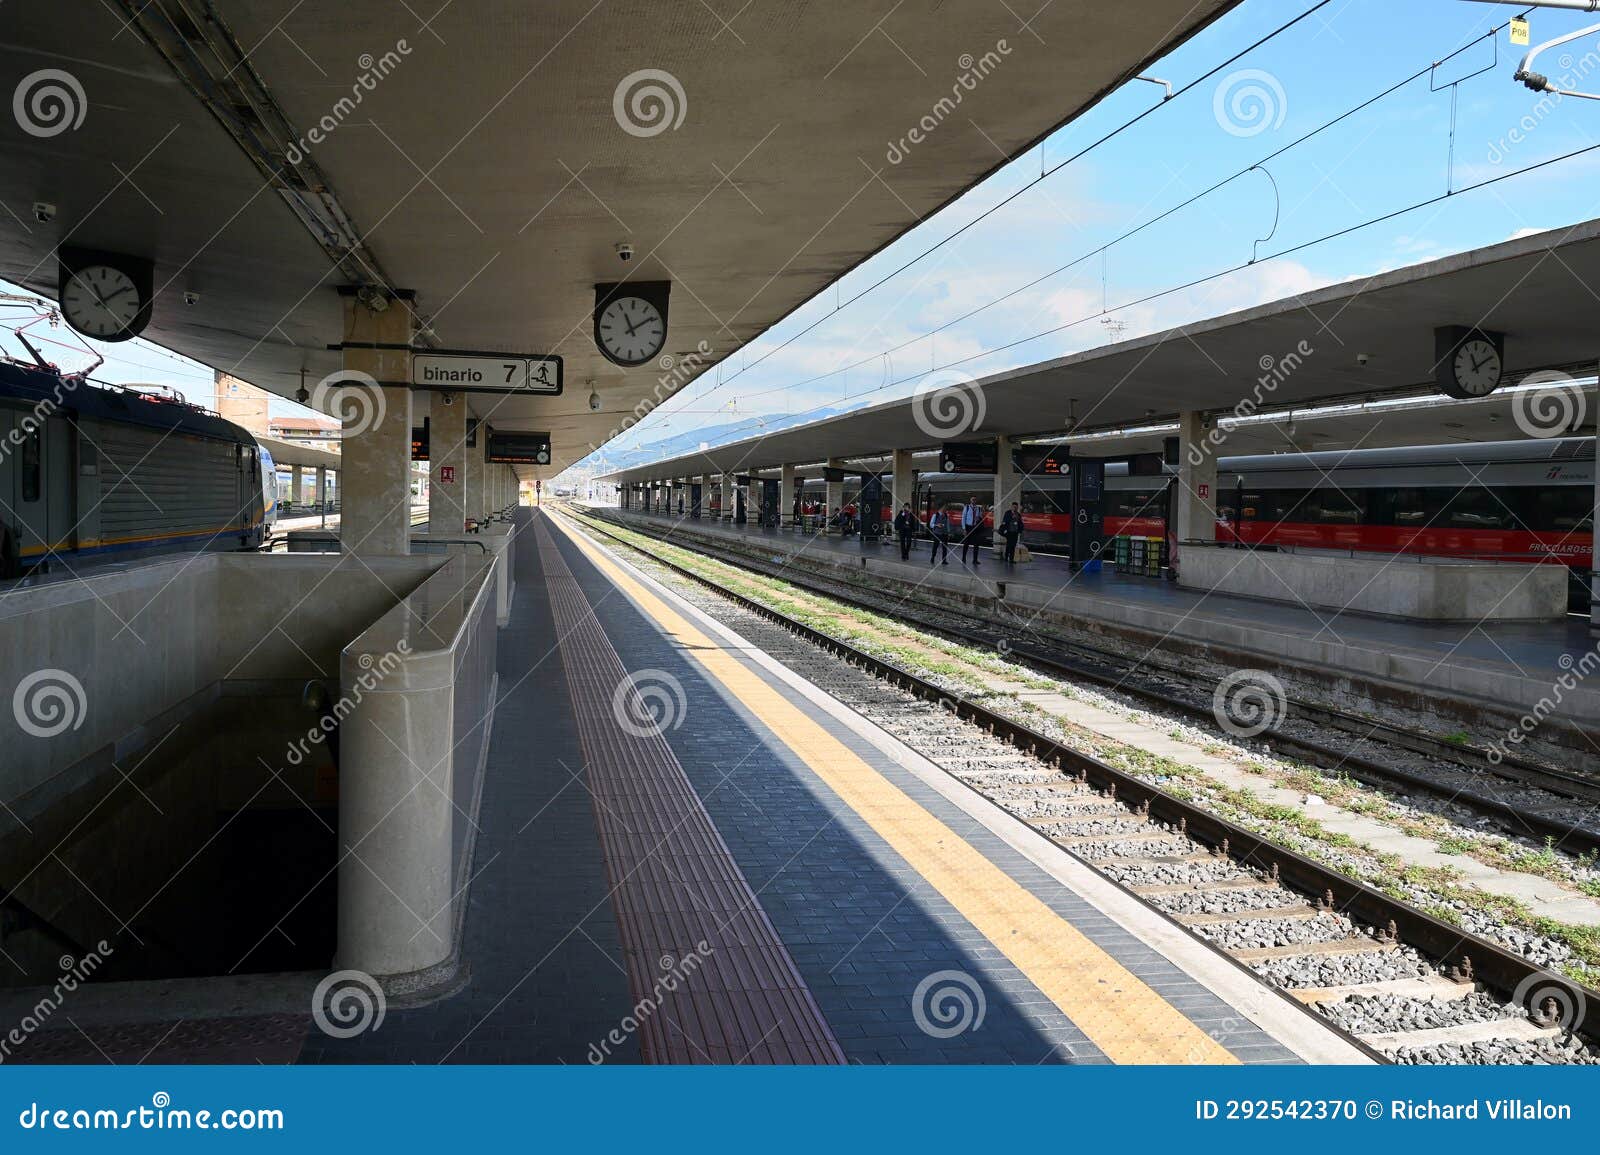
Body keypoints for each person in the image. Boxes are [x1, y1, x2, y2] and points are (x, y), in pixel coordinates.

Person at [959, 497, 984, 566]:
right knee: (966, 543)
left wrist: (979, 516)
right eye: (972, 500)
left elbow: (980, 517)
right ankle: (963, 558)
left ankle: (975, 560)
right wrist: (964, 529)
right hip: (968, 527)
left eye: (975, 500)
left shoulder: (978, 508)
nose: (974, 501)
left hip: (975, 527)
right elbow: (963, 518)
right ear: (970, 500)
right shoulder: (966, 507)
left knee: (976, 545)